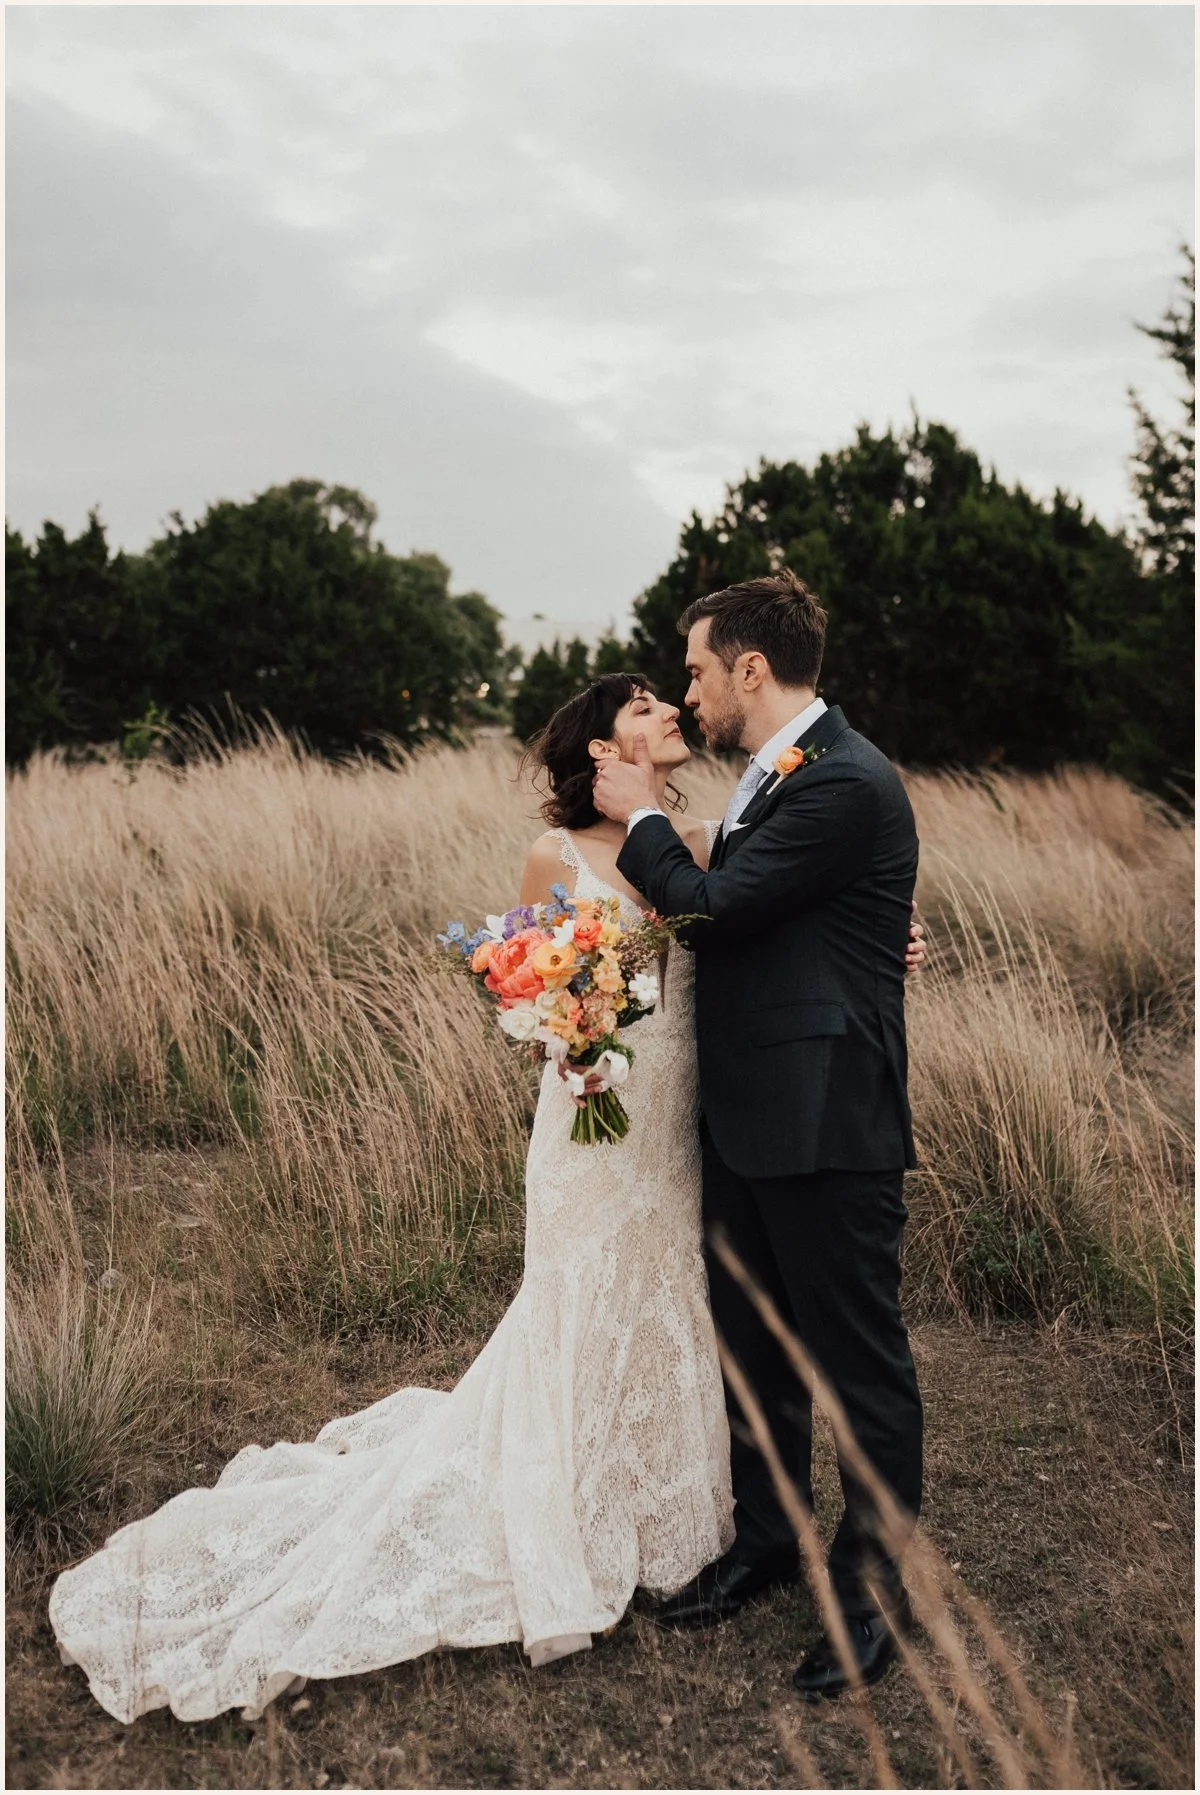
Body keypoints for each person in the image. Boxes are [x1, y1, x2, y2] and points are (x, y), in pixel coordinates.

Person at [49, 668, 924, 1724]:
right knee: (587, 1299)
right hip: (598, 1111)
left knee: (684, 1304)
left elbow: (764, 913)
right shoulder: (559, 853)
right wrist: (567, 1030)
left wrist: (883, 932)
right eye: (646, 704)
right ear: (602, 748)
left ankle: (701, 1515)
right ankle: (599, 1506)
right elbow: (524, 972)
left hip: (688, 1118)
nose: (672, 708)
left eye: (677, 689)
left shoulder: (702, 837)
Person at [594, 571, 925, 1701]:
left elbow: (713, 907)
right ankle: (771, 1542)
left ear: (750, 667)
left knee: (857, 1365)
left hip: (828, 1120)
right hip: (744, 1114)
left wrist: (640, 816)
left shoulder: (844, 779)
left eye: (696, 671)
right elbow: (784, 913)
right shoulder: (774, 773)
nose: (688, 692)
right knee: (754, 1348)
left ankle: (874, 1595)